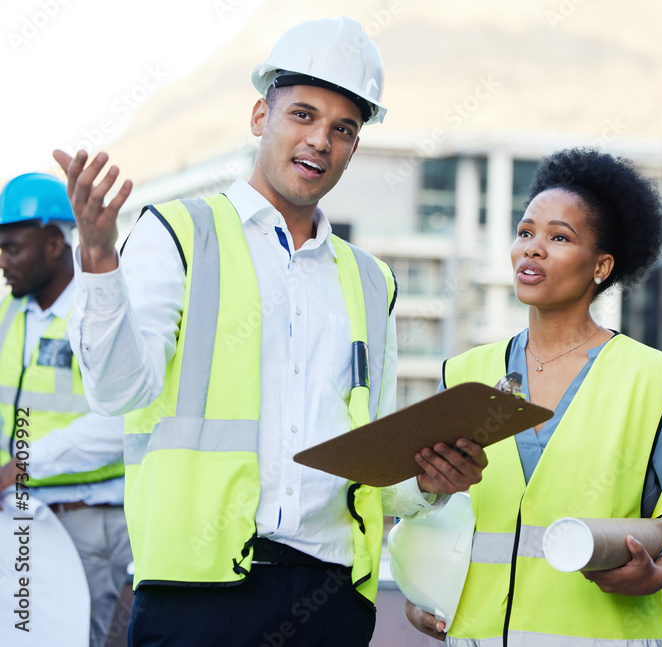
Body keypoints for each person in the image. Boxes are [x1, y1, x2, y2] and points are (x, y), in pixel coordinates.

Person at [53, 16, 486, 647]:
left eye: (343, 129)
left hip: (331, 597)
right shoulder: (178, 234)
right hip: (194, 596)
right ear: (261, 116)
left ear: (356, 147)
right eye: (303, 116)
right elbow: (117, 393)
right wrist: (97, 260)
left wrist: (426, 484)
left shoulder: (371, 281)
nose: (320, 141)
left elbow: (374, 469)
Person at [405, 148, 662, 645]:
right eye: (526, 232)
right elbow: (439, 514)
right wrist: (423, 586)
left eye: (559, 237)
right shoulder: (465, 373)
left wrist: (659, 574)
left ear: (601, 266)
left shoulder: (654, 379)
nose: (532, 248)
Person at [0, 172, 132, 647]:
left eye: (12, 248)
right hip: (30, 517)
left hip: (91, 517)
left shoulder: (98, 317)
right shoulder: (12, 313)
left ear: (54, 245)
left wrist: (18, 468)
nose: (2, 261)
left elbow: (117, 423)